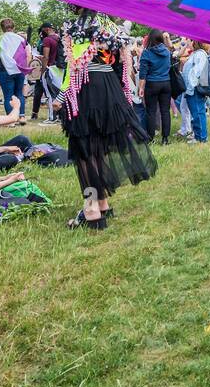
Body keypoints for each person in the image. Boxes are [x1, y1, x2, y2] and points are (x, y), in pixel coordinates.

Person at [59, 15, 157, 229]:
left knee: (84, 150)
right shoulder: (111, 26)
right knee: (99, 146)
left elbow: (74, 63)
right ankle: (102, 202)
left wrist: (61, 96)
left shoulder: (78, 24)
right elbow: (122, 62)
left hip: (86, 86)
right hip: (109, 87)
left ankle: (91, 207)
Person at [138, 29, 173, 145]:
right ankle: (165, 139)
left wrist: (141, 88)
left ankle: (151, 138)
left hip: (152, 84)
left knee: (151, 112)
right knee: (165, 112)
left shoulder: (147, 53)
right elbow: (170, 47)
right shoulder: (167, 52)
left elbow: (143, 74)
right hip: (166, 83)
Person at [0, 18, 28, 120]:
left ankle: (11, 120)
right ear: (14, 27)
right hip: (20, 69)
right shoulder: (21, 39)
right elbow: (27, 54)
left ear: (2, 28)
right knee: (19, 93)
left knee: (8, 95)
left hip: (5, 70)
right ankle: (22, 117)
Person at [30, 23, 61, 122]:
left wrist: (43, 70)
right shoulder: (59, 38)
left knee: (50, 94)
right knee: (58, 93)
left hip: (50, 68)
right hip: (60, 68)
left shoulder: (47, 40)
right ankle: (60, 116)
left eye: (43, 29)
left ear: (46, 29)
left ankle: (52, 117)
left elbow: (47, 57)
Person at [182, 41, 210, 144]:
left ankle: (201, 138)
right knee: (196, 113)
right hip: (192, 88)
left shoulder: (200, 54)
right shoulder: (197, 53)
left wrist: (190, 87)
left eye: (192, 40)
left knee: (198, 113)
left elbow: (196, 72)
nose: (190, 42)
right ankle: (198, 135)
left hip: (194, 88)